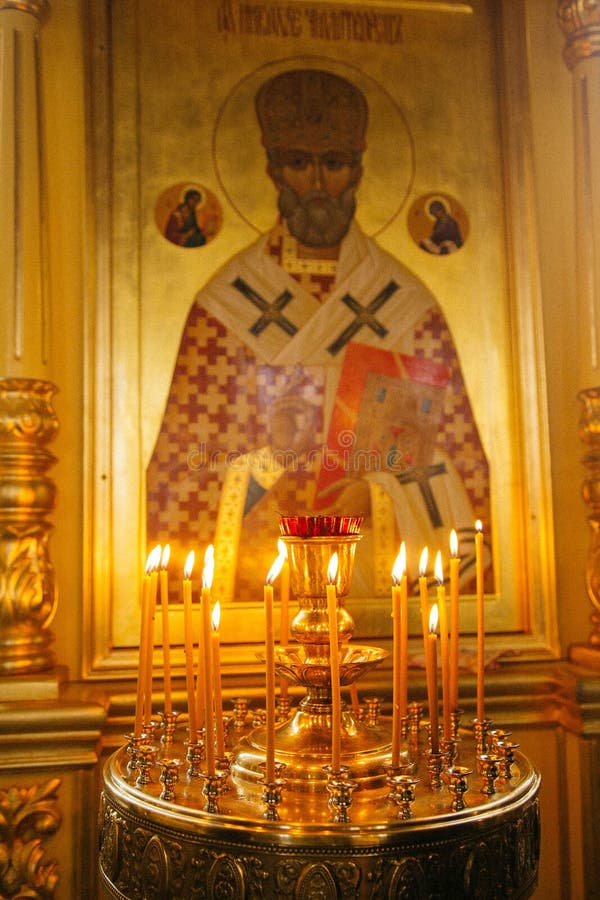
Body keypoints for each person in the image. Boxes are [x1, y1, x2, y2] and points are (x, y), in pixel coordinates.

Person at [147, 68, 491, 603]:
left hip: (381, 590)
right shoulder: (222, 310)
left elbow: (460, 462)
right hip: (261, 593)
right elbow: (180, 478)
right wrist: (274, 468)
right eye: (299, 162)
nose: (316, 183)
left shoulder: (408, 305)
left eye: (333, 163)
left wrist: (376, 494)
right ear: (272, 169)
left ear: (357, 170)